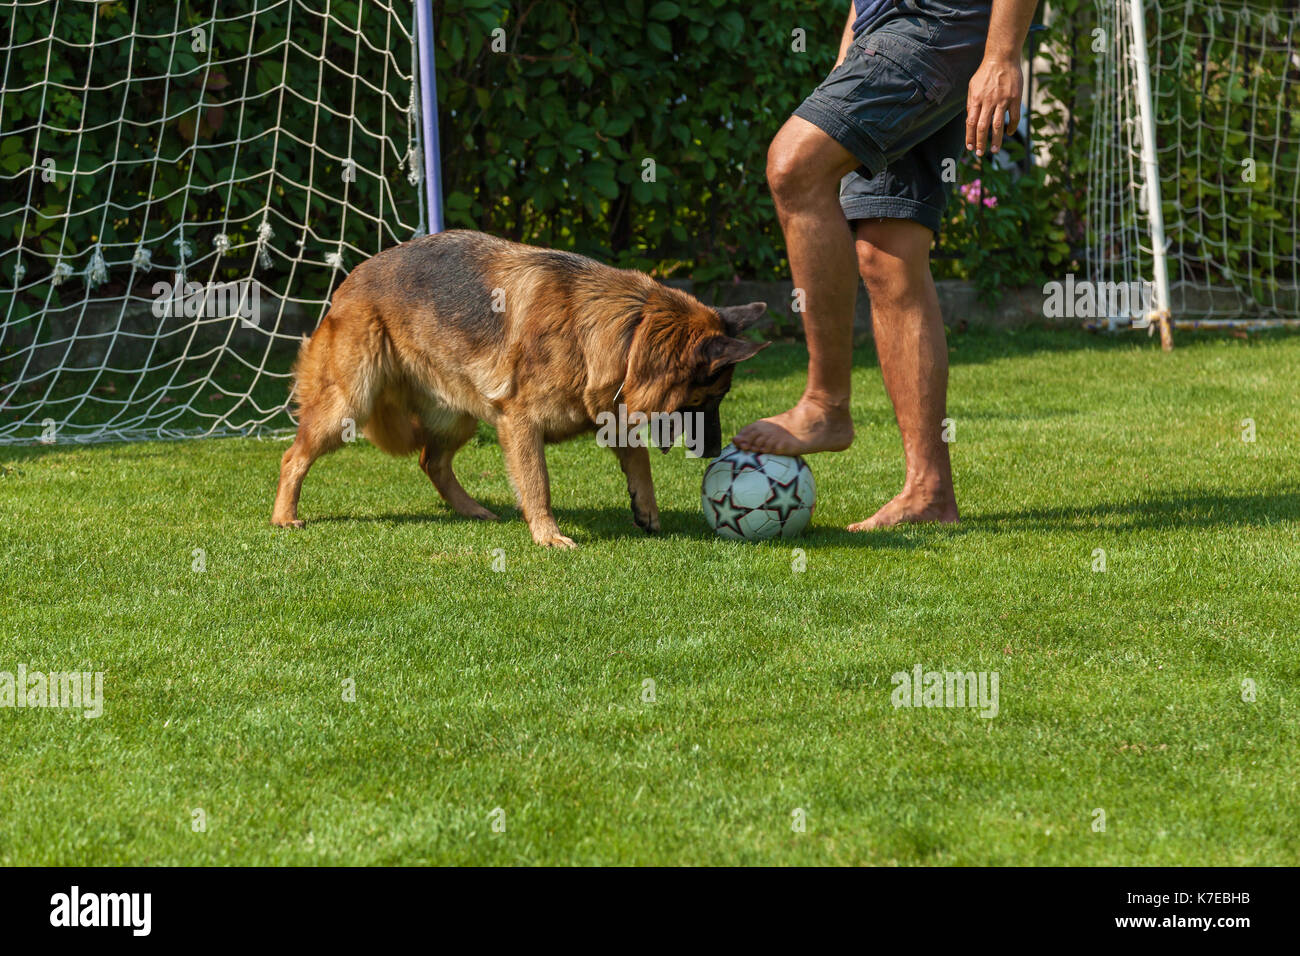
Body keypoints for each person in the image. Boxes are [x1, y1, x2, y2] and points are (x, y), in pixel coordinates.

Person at [732, 0, 1038, 530]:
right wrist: (847, 55)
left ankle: (825, 403)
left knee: (794, 165)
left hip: (943, 19)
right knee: (886, 252)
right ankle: (930, 495)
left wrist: (1002, 53)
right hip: (891, 25)